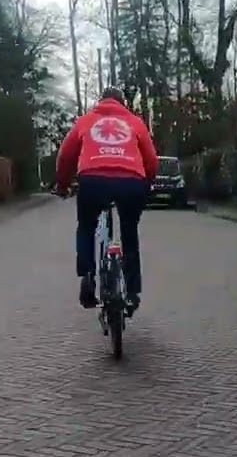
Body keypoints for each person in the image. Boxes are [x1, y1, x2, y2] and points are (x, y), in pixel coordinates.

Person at [54, 87, 159, 310]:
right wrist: (146, 183)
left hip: (92, 180)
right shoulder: (135, 122)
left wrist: (62, 184)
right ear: (122, 103)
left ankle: (88, 275)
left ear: (101, 101)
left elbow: (65, 156)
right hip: (131, 182)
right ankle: (131, 292)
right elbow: (151, 160)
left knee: (86, 227)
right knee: (129, 234)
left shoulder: (86, 121)